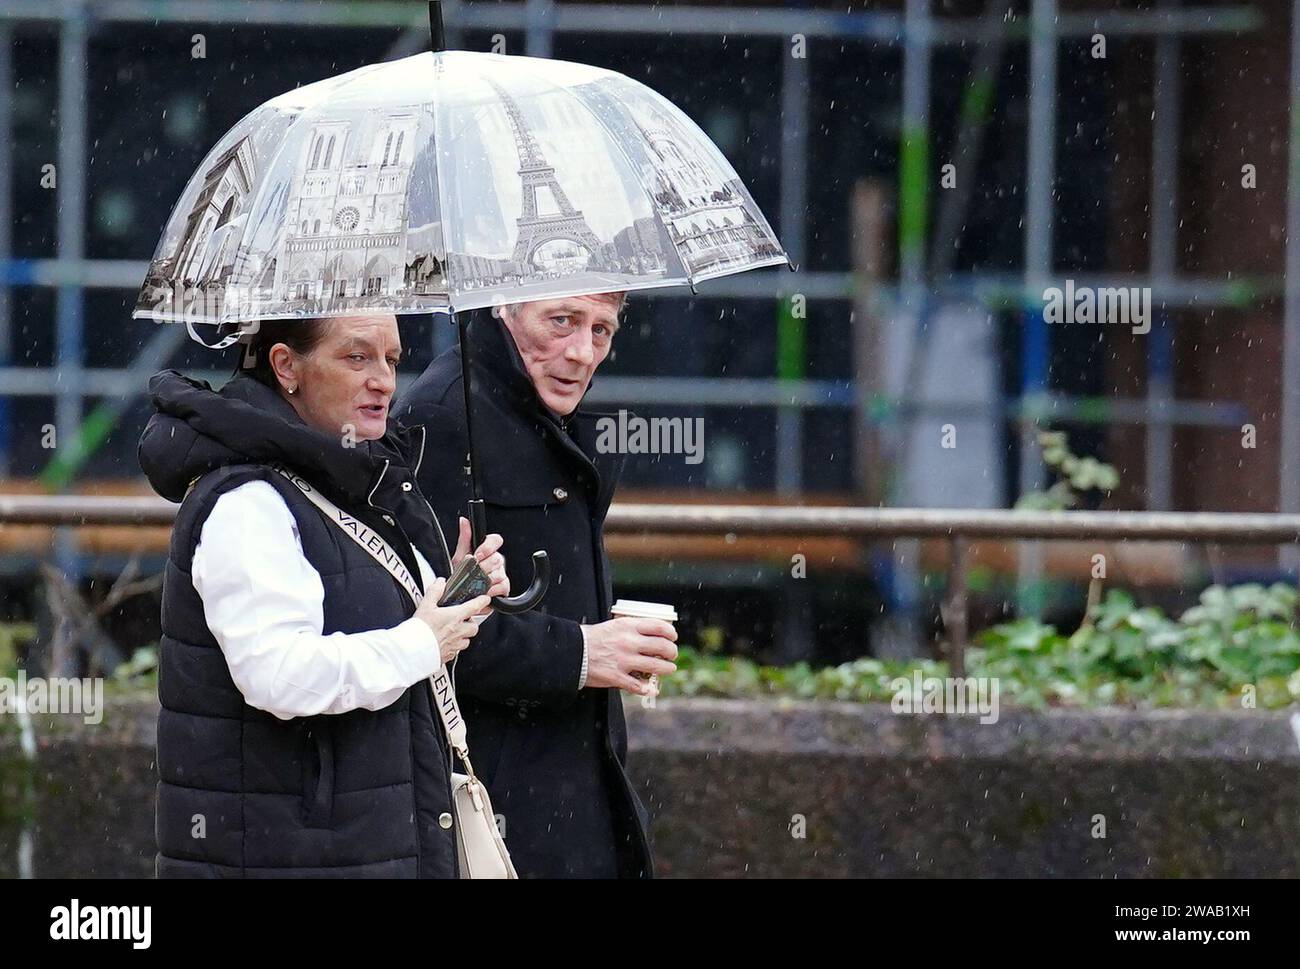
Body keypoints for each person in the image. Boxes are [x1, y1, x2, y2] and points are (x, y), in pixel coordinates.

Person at [138, 313, 508, 878]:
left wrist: (456, 595)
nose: (384, 380)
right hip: (287, 856)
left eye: (392, 359)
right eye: (356, 358)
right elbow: (280, 676)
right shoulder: (249, 500)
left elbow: (368, 622)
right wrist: (420, 641)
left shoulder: (345, 477)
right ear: (286, 366)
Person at [396, 293, 679, 879]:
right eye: (562, 322)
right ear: (504, 306)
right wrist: (583, 653)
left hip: (573, 792)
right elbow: (421, 635)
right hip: (496, 805)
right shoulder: (444, 418)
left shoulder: (540, 413)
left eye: (602, 330)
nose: (582, 353)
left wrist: (602, 644)